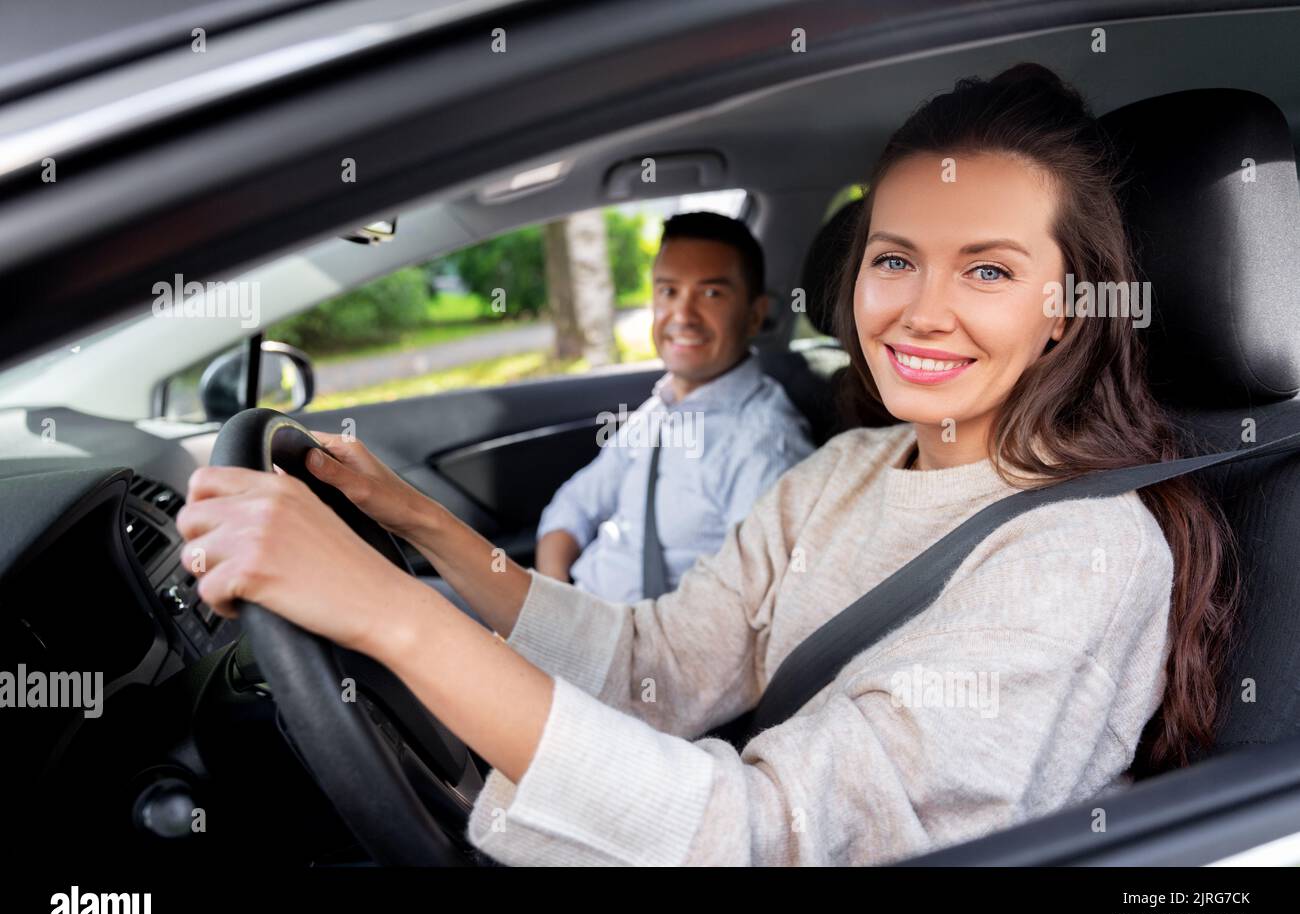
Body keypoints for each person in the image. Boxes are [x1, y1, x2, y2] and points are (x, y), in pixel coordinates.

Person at [176, 63, 1240, 866]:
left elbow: (772, 838)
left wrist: (387, 615)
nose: (922, 308)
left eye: (990, 268)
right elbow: (657, 662)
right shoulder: (853, 465)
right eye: (895, 257)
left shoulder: (1080, 551)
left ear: (1066, 310)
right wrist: (421, 532)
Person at [533, 212, 814, 603]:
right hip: (567, 614)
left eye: (711, 294)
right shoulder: (661, 407)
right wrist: (553, 599)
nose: (682, 316)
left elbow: (746, 612)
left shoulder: (764, 444)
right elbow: (574, 505)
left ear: (754, 314)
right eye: (668, 292)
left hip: (632, 653)